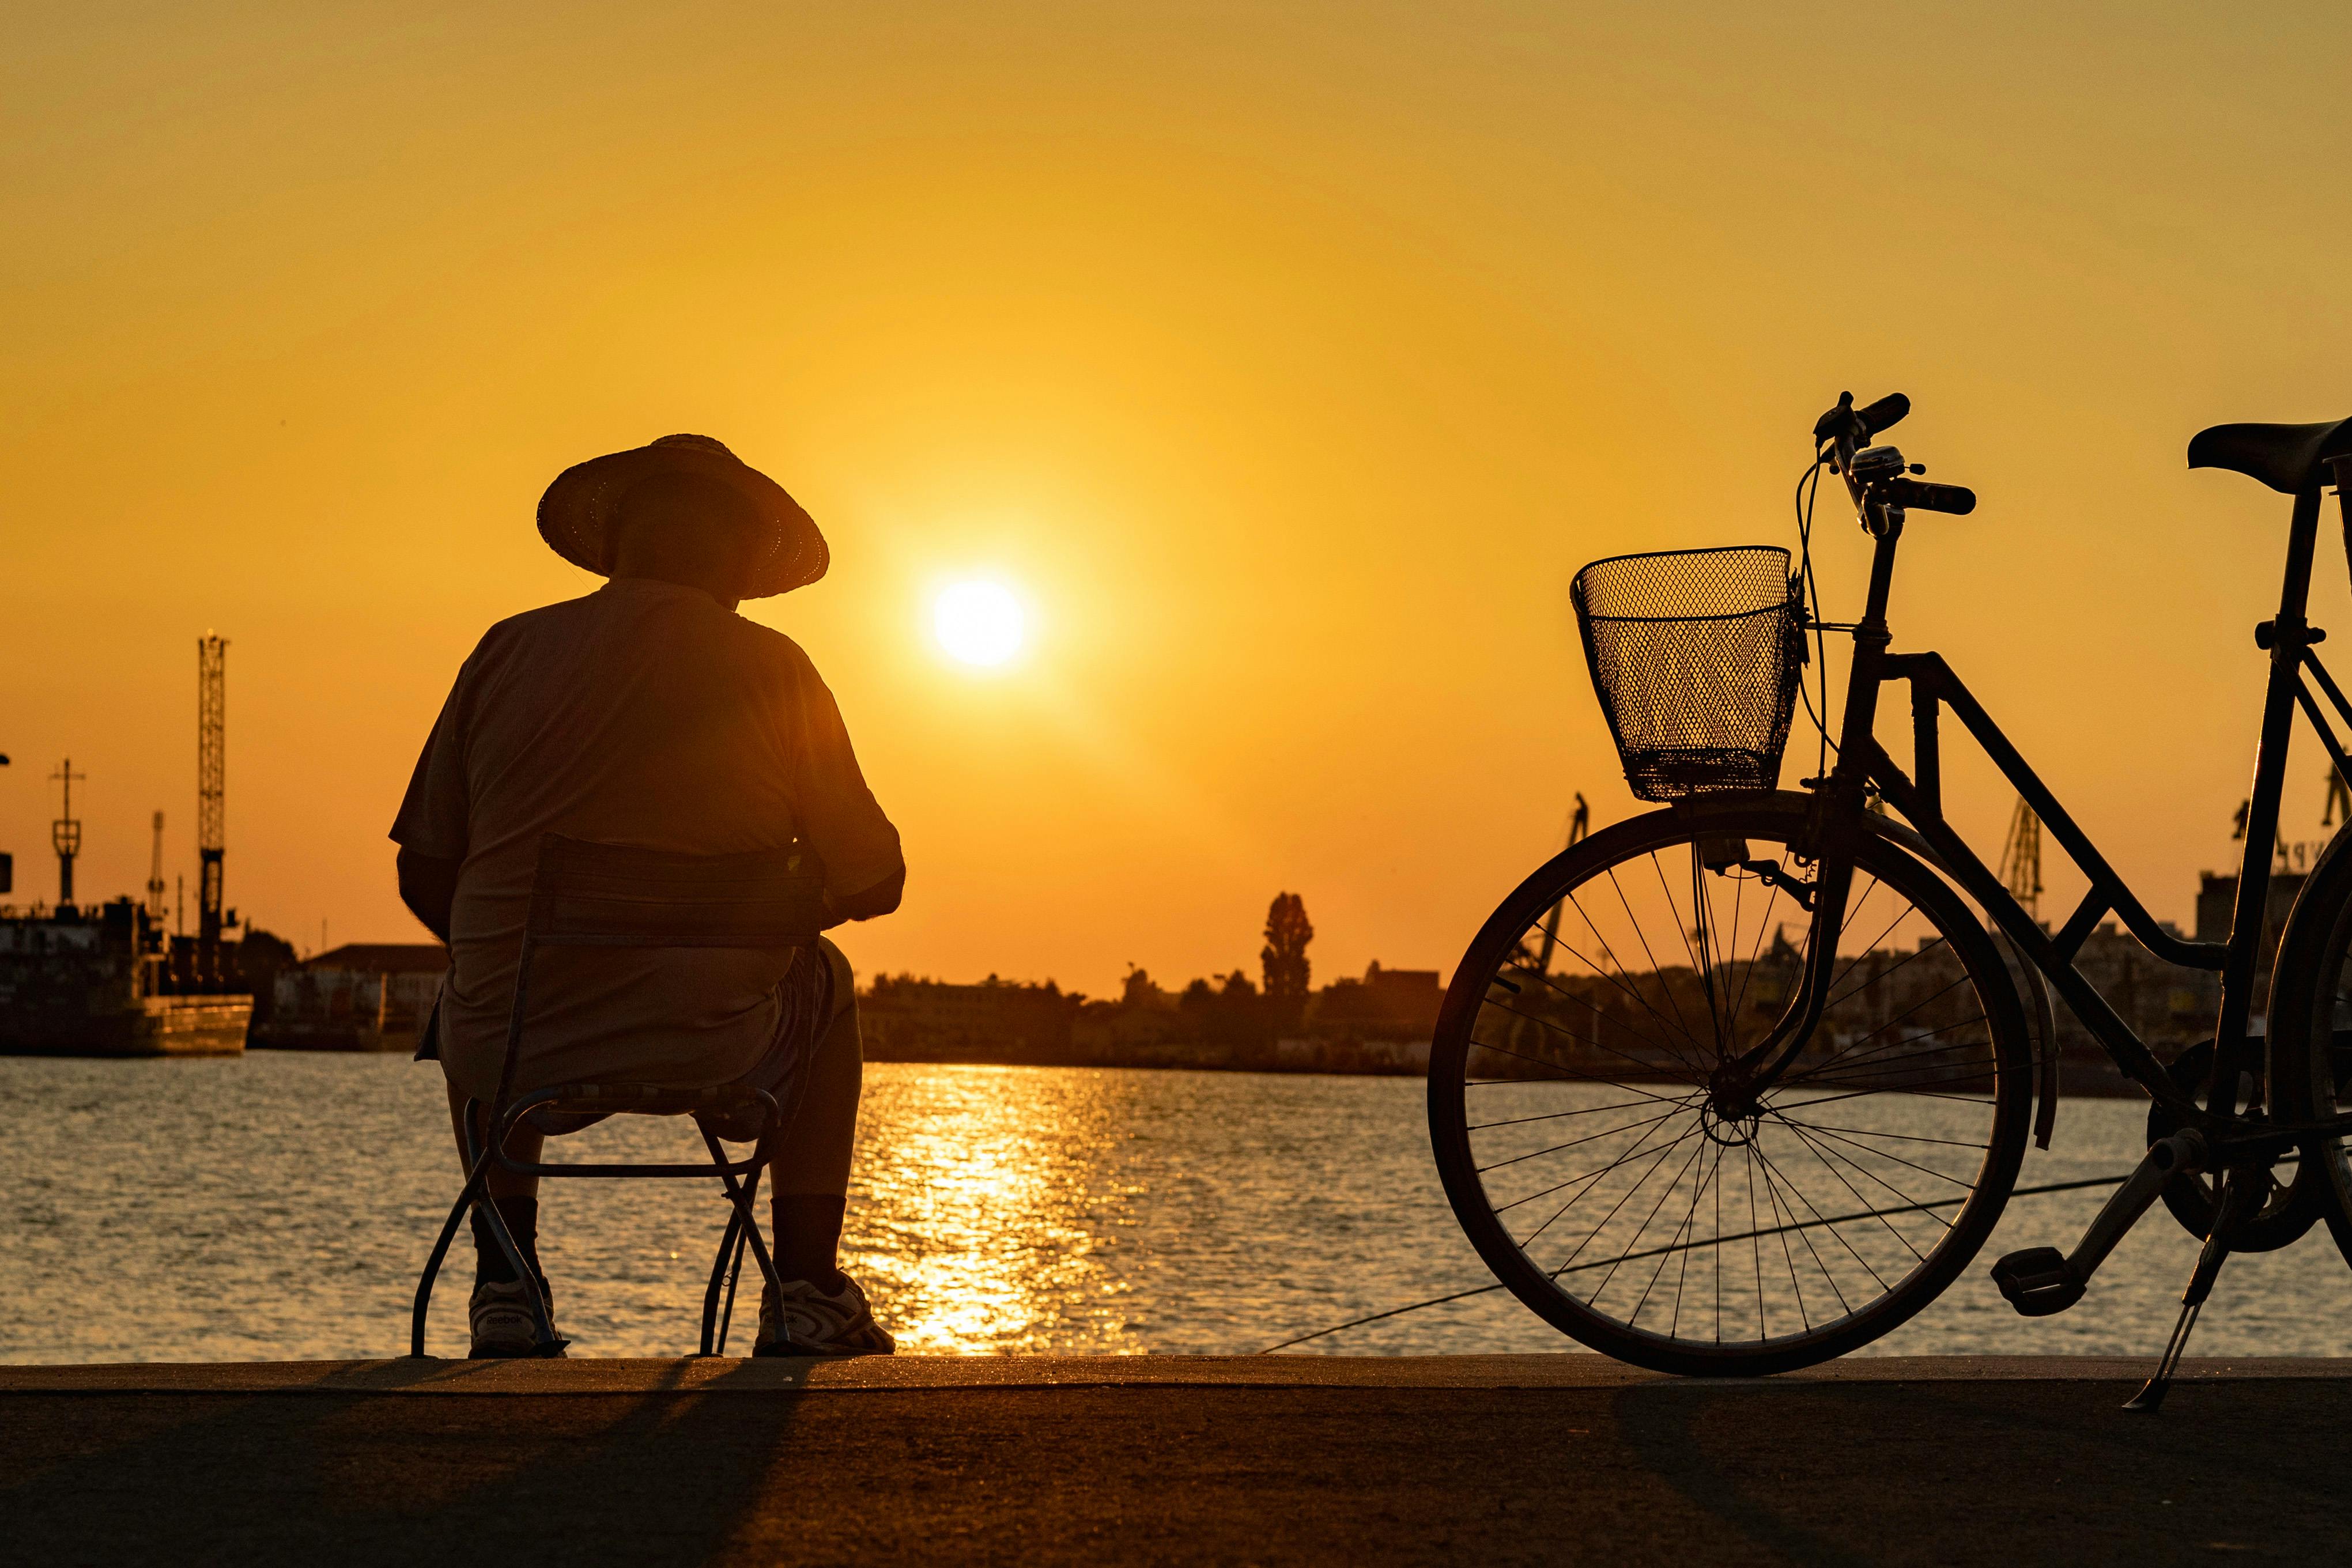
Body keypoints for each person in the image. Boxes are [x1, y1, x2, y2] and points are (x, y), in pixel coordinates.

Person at [391, 433, 904, 1359]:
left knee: (475, 981)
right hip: (716, 1040)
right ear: (739, 559)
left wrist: (517, 950)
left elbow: (424, 871)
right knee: (827, 977)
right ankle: (804, 1287)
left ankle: (506, 1282)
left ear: (619, 541)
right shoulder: (776, 669)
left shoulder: (507, 650)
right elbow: (877, 880)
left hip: (518, 1047)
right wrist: (771, 914)